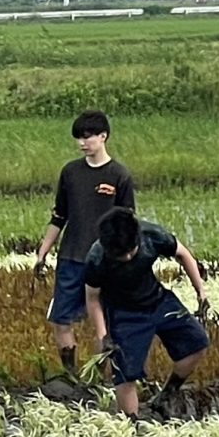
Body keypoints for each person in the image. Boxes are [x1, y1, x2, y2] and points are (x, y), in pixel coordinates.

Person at [34, 110, 135, 375]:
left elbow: (128, 223)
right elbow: (59, 216)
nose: (82, 143)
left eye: (88, 137)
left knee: (105, 323)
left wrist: (127, 259)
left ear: (103, 136)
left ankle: (103, 378)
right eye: (78, 138)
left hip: (106, 262)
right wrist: (43, 251)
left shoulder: (119, 175)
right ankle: (71, 376)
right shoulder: (70, 172)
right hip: (71, 258)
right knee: (61, 319)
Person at [84, 207, 210, 420]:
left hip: (159, 301)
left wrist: (201, 291)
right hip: (125, 314)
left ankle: (166, 395)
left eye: (130, 251)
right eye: (120, 255)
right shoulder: (96, 259)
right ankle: (132, 427)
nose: (126, 257)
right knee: (125, 374)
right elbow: (93, 298)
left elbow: (183, 254)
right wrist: (103, 335)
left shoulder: (152, 235)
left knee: (197, 344)